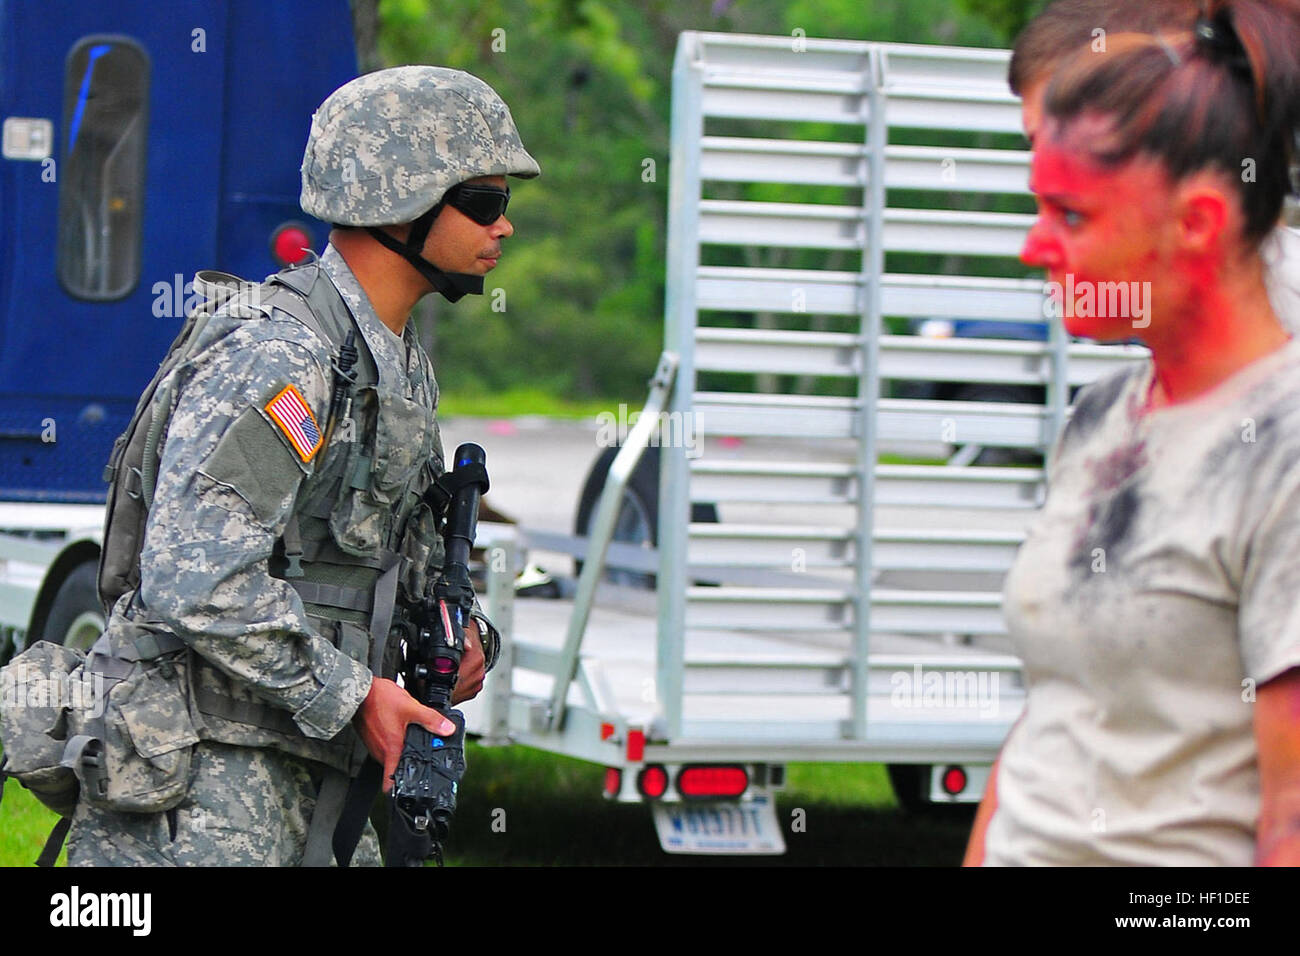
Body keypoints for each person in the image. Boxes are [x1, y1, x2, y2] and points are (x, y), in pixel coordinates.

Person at [65, 65, 540, 866]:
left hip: (317, 780)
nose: (505, 228)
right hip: (208, 788)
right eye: (484, 203)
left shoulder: (396, 365)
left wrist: (464, 641)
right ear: (401, 201)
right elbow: (197, 579)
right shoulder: (284, 355)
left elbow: (389, 566)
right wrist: (357, 695)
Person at [965, 0, 1300, 865]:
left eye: (1071, 216)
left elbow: (1288, 820)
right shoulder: (1101, 417)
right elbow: (1054, 716)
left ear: (1196, 224)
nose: (1032, 248)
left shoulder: (1282, 445)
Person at [1009, 0, 1300, 330]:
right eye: (1037, 143)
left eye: (1074, 145)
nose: (1045, 176)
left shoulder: (1279, 324)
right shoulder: (1160, 335)